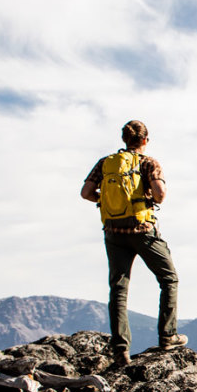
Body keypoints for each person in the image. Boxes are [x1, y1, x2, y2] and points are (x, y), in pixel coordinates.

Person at [81, 120, 186, 365]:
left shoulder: (106, 163)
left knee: (118, 288)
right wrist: (146, 197)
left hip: (113, 232)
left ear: (124, 140)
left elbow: (86, 193)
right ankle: (168, 336)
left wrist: (104, 202)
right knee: (169, 278)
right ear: (145, 140)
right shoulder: (148, 163)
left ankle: (120, 350)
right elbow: (160, 194)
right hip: (142, 230)